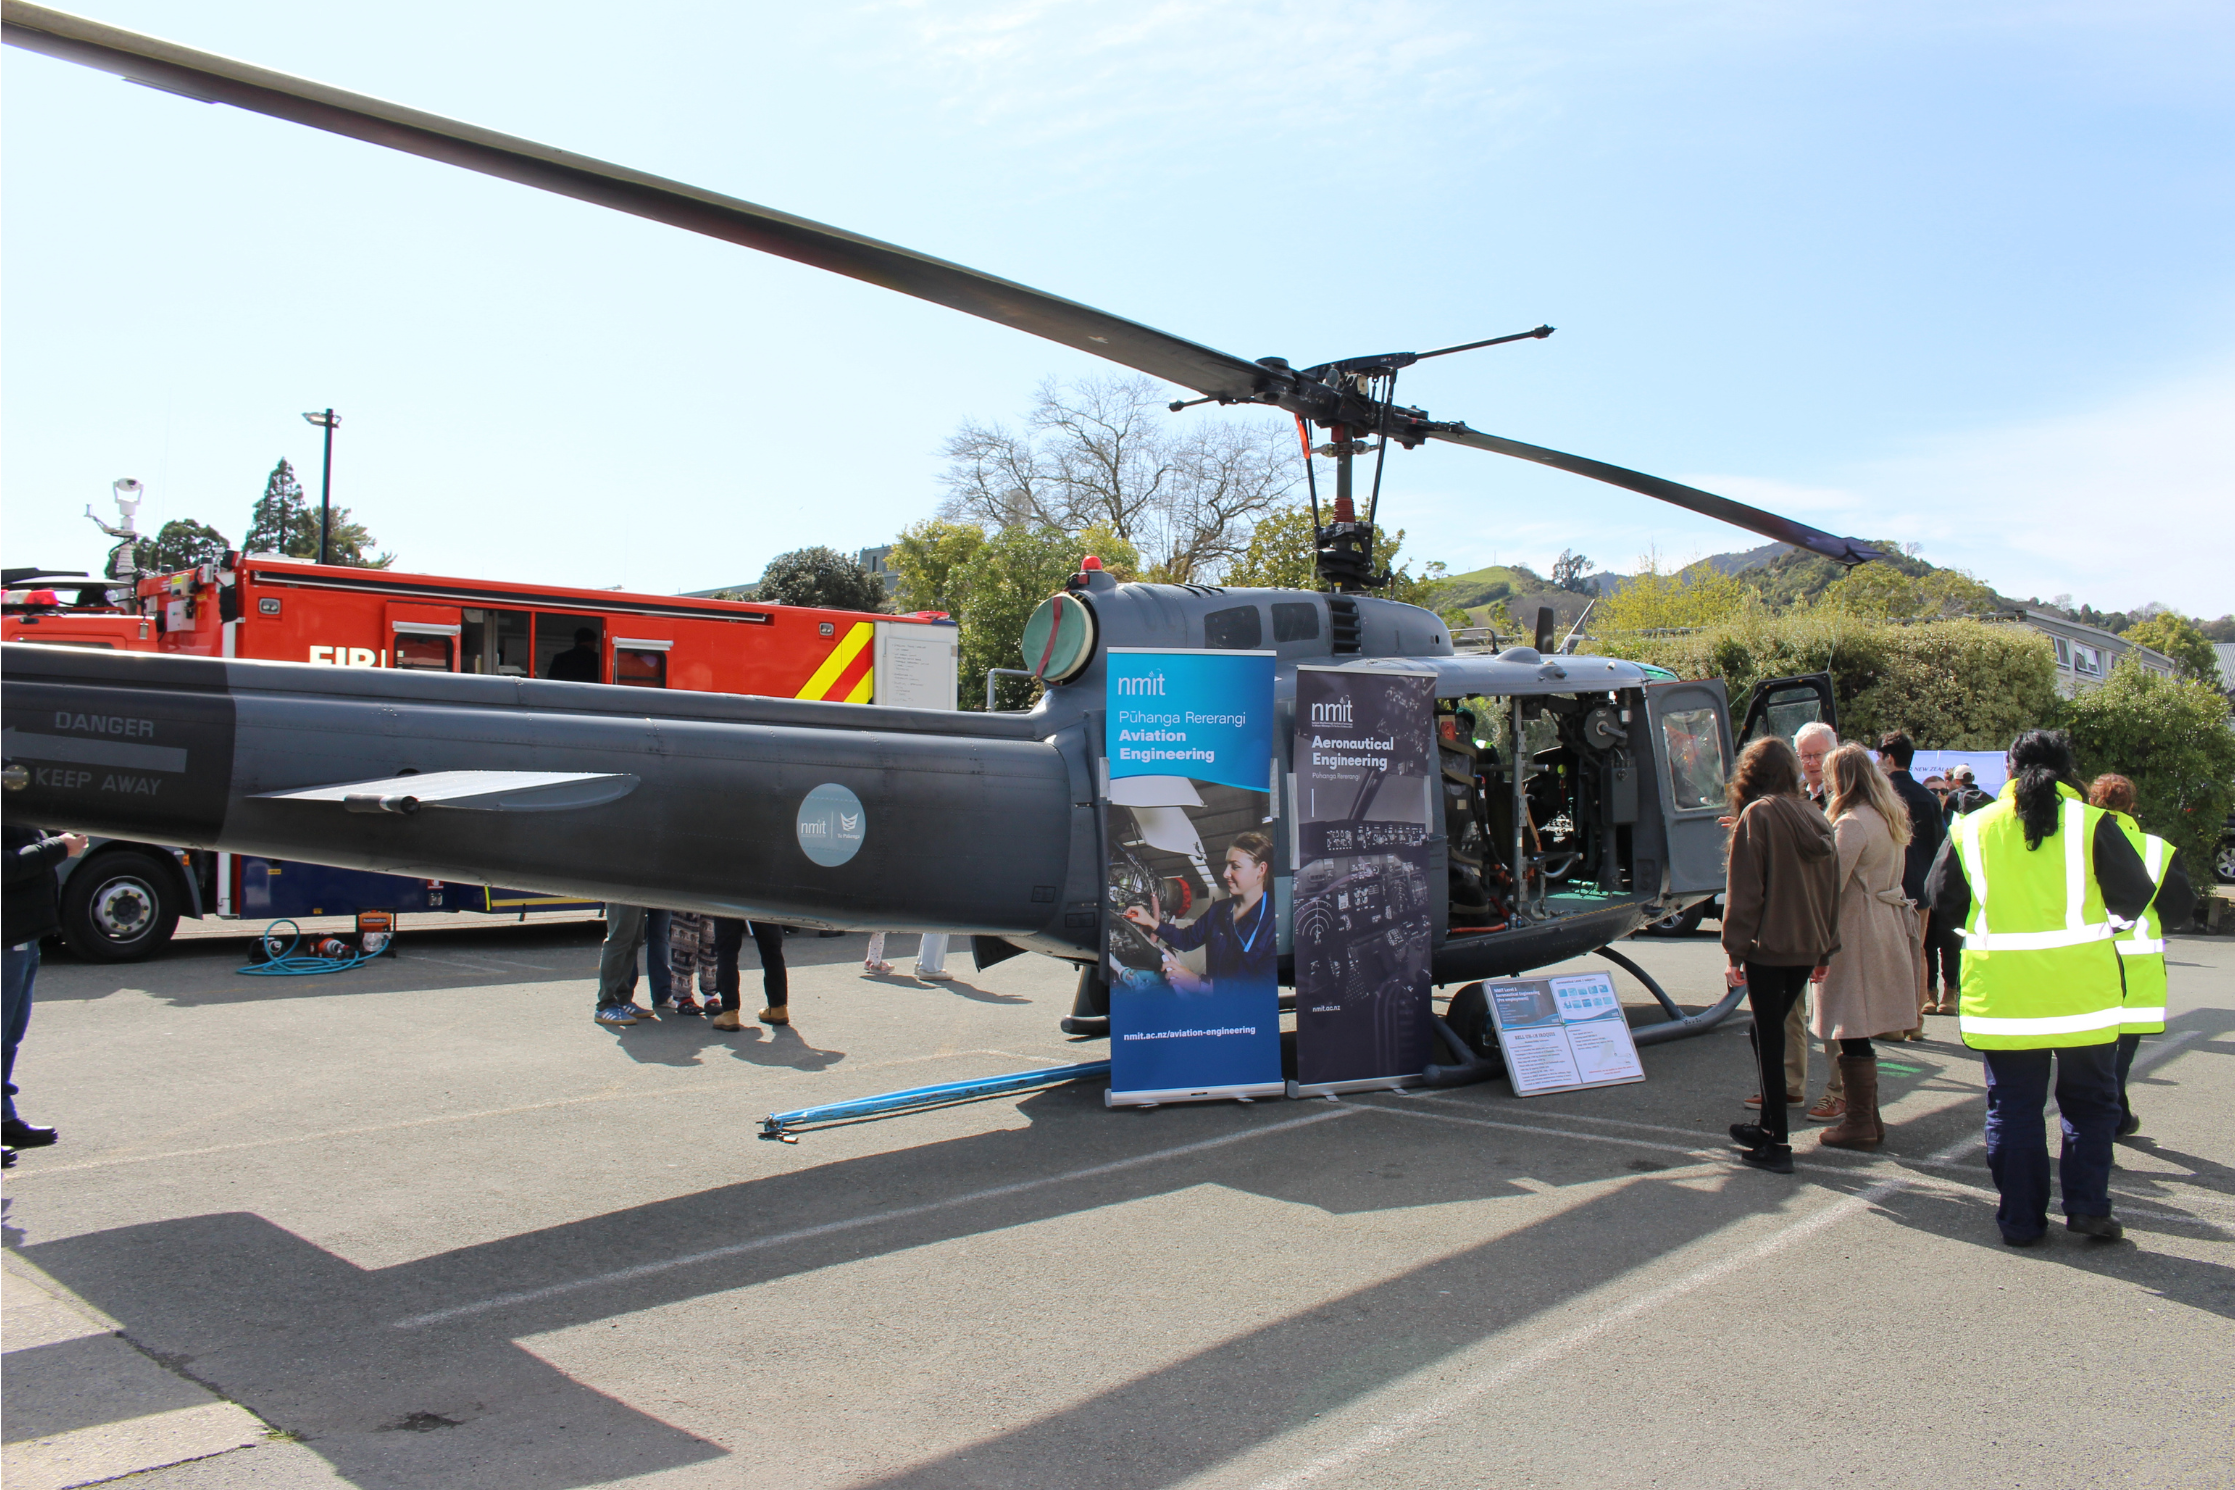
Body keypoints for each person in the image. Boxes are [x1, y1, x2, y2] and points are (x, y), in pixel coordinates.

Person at [1924, 730, 2156, 1245]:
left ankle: (2021, 1221)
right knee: (2091, 1105)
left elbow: (1940, 898)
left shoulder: (1973, 826)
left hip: (2004, 997)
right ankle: (2089, 1208)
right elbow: (2137, 891)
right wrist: (2104, 929)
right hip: (2083, 995)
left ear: (2008, 770)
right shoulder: (2092, 823)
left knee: (2013, 1108)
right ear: (2070, 770)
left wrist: (1983, 932)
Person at [1720, 737, 1842, 1174]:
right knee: (1764, 1033)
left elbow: (1746, 890)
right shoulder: (1815, 813)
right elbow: (1832, 888)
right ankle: (1769, 1126)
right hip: (1808, 942)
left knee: (1768, 1037)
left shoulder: (1760, 813)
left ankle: (1779, 1142)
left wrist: (1734, 949)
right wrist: (1827, 946)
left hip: (1770, 944)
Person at [1813, 745, 1924, 1150]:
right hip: (1884, 924)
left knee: (1850, 1025)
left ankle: (1860, 1120)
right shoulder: (1885, 816)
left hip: (1856, 929)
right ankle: (1868, 1117)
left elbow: (1829, 884)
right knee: (1857, 1026)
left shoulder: (1852, 823)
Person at [2085, 774, 2196, 1138]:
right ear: (2132, 806)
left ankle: (2112, 1116)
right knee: (2120, 1054)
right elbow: (2179, 908)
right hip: (2137, 965)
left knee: (2090, 1051)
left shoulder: (2076, 842)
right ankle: (2111, 1117)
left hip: (2084, 959)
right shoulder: (2157, 848)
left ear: (2093, 802)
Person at [4, 824, 89, 1166]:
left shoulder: (14, 803)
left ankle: (3, 1118)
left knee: (9, 1036)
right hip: (5, 936)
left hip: (23, 934)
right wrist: (59, 848)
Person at [1122, 832, 1276, 996]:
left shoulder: (1274, 923)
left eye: (1235, 866)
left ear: (1261, 869)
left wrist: (1199, 984)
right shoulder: (1219, 910)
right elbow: (1187, 939)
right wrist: (1151, 922)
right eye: (1226, 865)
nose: (1225, 873)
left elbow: (1263, 989)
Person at [1877, 731, 1947, 1035]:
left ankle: (1893, 1023)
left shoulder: (1882, 795)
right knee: (1916, 952)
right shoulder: (1930, 797)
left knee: (1891, 954)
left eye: (1880, 757)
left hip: (1891, 886)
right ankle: (1915, 1022)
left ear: (1889, 758)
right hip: (1922, 886)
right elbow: (1940, 844)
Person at [710, 918, 789, 1029]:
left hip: (732, 901)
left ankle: (730, 1012)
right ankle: (778, 1006)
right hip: (764, 902)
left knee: (727, 953)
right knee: (772, 950)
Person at [593, 903, 662, 1027]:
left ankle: (623, 999)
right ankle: (605, 1004)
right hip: (624, 889)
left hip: (638, 889)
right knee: (619, 939)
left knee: (635, 938)